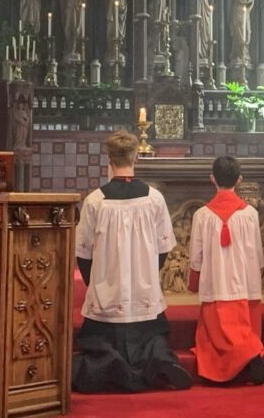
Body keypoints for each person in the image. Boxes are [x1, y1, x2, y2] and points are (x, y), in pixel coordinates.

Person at [72, 131, 192, 393]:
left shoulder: (95, 201)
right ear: (136, 157)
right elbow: (163, 249)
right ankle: (158, 361)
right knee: (153, 338)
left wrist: (98, 285)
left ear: (109, 158)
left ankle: (111, 364)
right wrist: (147, 274)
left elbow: (83, 253)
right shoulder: (154, 198)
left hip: (106, 291)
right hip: (144, 290)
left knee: (97, 345)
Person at [187, 156, 264, 385]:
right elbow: (258, 252)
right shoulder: (250, 214)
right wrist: (259, 273)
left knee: (215, 334)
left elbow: (196, 255)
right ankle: (249, 352)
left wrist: (194, 280)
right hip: (244, 283)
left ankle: (225, 367)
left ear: (212, 179)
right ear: (239, 180)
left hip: (216, 282)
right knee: (245, 326)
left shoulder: (202, 215)